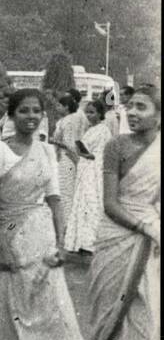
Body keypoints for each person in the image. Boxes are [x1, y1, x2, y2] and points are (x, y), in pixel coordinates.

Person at [0, 88, 96, 340]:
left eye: (36, 112)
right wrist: (3, 248)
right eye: (24, 111)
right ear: (12, 116)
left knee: (50, 312)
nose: (30, 117)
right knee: (7, 312)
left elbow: (55, 199)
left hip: (42, 239)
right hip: (9, 237)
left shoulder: (47, 152)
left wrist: (60, 244)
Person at [87, 86, 160, 340]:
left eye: (141, 108)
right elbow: (110, 203)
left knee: (147, 324)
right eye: (130, 107)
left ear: (158, 115)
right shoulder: (117, 147)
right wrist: (144, 225)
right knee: (113, 322)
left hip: (152, 244)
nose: (132, 113)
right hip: (118, 238)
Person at [63, 97, 112, 254]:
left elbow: (102, 153)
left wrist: (87, 154)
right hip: (85, 168)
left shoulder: (103, 130)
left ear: (100, 113)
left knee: (91, 203)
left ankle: (90, 242)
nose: (89, 116)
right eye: (87, 112)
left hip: (94, 170)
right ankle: (79, 241)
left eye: (92, 112)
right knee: (81, 202)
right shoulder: (90, 130)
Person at [50, 93, 88, 205]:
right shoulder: (73, 118)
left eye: (59, 106)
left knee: (65, 190)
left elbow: (69, 144)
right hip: (69, 156)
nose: (57, 108)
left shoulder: (68, 121)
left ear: (66, 107)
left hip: (67, 158)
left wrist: (53, 141)